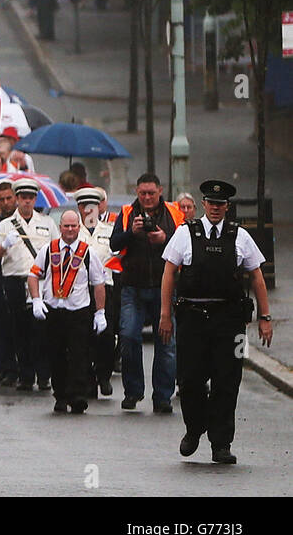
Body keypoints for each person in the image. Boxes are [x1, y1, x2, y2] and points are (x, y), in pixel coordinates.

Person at [160, 180, 274, 464]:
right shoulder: (185, 234)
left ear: (227, 207)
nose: (215, 208)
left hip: (230, 323)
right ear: (203, 204)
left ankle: (221, 443)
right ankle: (195, 428)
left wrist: (265, 317)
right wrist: (165, 314)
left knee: (228, 381)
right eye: (211, 203)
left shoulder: (240, 236)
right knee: (190, 379)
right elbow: (169, 272)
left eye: (220, 204)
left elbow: (257, 277)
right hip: (192, 320)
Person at [108, 173, 184, 412]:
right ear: (137, 192)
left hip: (165, 287)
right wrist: (132, 233)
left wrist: (165, 238)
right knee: (129, 336)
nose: (147, 198)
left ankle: (162, 397)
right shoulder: (128, 212)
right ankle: (133, 391)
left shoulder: (174, 213)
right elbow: (114, 244)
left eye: (151, 193)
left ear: (160, 191)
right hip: (133, 286)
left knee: (166, 344)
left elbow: (187, 244)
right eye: (143, 193)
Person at [27, 210, 108, 414]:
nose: (70, 230)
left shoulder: (87, 252)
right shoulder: (48, 249)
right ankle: (60, 395)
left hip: (79, 312)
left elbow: (99, 283)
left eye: (74, 226)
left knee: (80, 355)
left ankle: (78, 396)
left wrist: (100, 313)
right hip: (54, 312)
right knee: (56, 355)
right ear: (60, 227)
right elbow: (33, 275)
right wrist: (36, 299)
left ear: (79, 227)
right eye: (66, 226)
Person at [0, 179, 58, 392]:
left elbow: (57, 250)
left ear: (35, 199)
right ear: (17, 199)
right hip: (15, 280)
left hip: (41, 282)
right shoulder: (5, 225)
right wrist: (4, 245)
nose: (27, 202)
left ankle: (44, 375)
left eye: (30, 198)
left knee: (42, 331)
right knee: (19, 329)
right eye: (23, 198)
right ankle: (26, 375)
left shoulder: (46, 223)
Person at [75, 186, 118, 397]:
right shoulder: (74, 232)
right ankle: (88, 379)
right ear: (80, 208)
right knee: (84, 336)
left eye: (93, 206)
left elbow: (118, 259)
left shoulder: (109, 231)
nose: (89, 210)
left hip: (106, 288)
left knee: (107, 335)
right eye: (85, 206)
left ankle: (104, 375)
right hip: (80, 289)